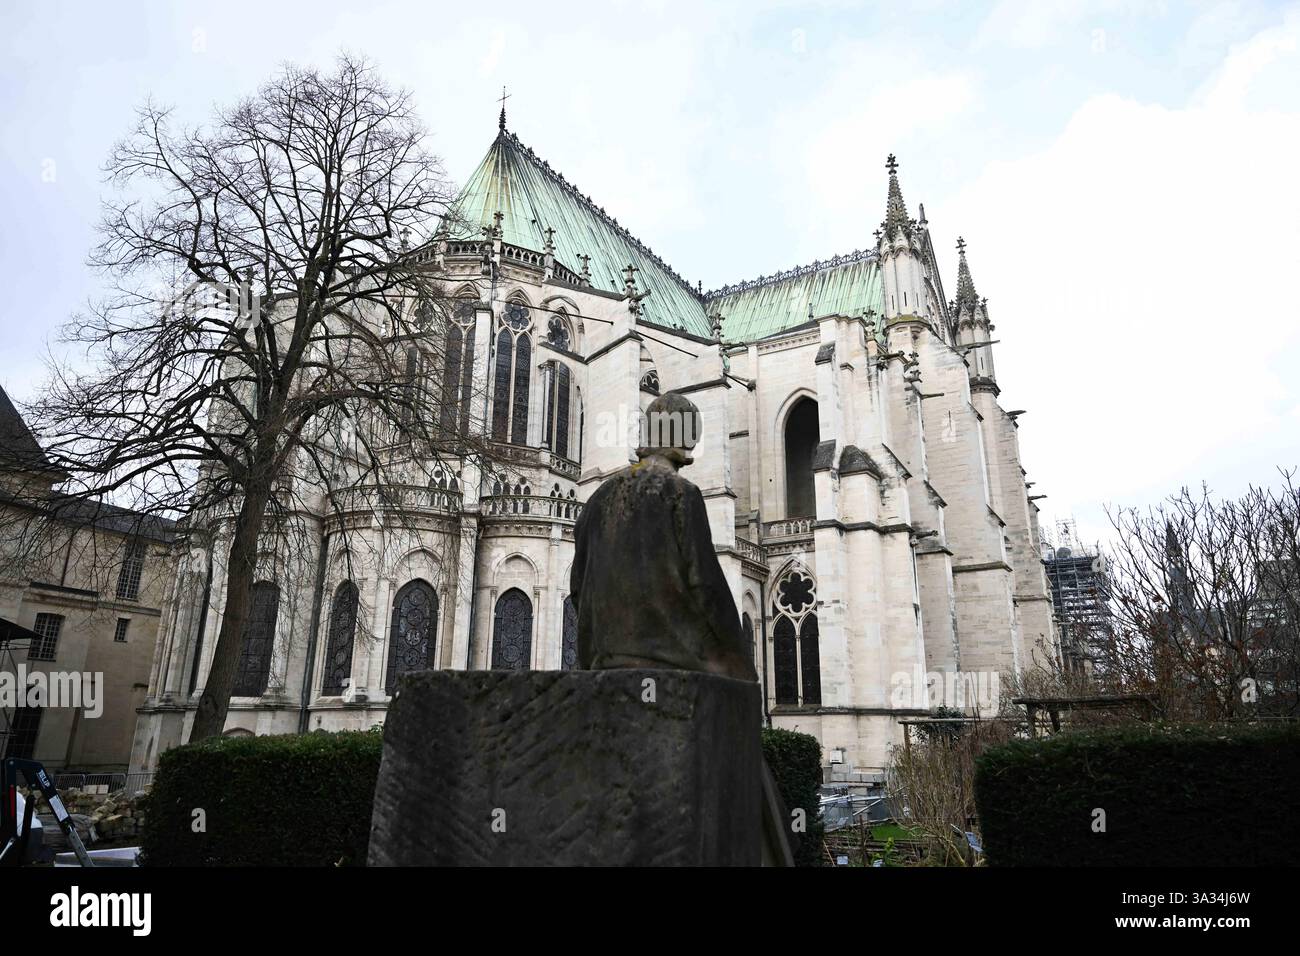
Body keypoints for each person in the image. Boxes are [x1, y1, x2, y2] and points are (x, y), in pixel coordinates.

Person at [569, 391, 756, 682]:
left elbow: (578, 589)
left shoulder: (597, 500)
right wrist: (740, 663)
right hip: (668, 667)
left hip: (605, 663)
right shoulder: (681, 494)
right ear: (686, 441)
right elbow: (706, 587)